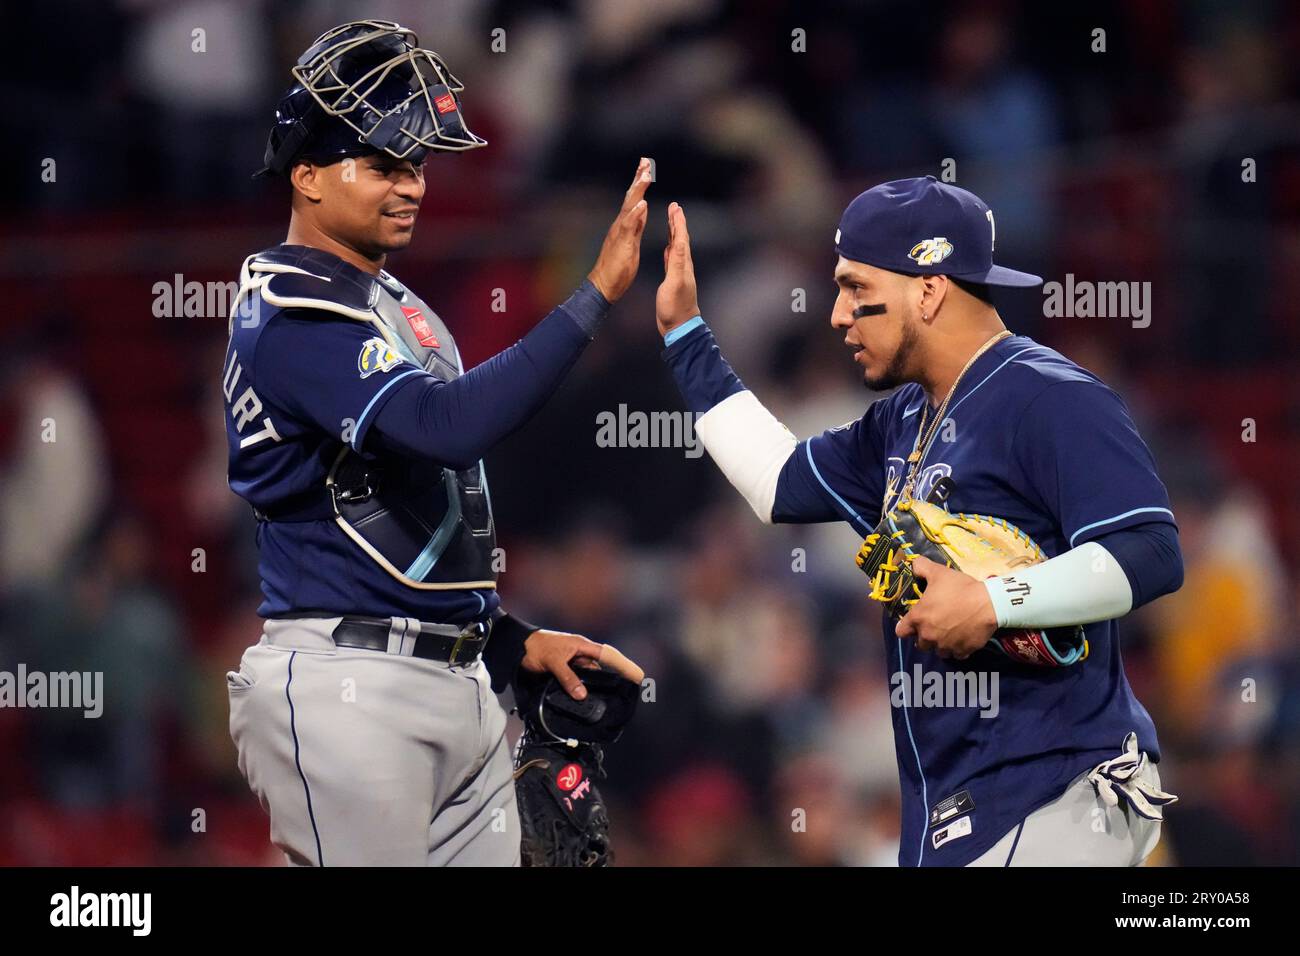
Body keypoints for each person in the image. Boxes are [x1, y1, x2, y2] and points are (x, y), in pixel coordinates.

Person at [653, 177, 1184, 866]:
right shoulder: (899, 422)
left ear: (928, 288)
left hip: (1053, 784)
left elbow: (1149, 549)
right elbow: (776, 482)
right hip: (956, 807)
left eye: (854, 286)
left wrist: (995, 600)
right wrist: (687, 337)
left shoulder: (1049, 396)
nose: (838, 315)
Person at [223, 19, 648, 867]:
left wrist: (506, 637)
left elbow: (423, 516)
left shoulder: (401, 309)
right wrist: (591, 296)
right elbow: (447, 428)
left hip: (456, 682)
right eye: (382, 163)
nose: (410, 185)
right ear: (305, 175)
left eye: (415, 165)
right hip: (349, 689)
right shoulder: (292, 309)